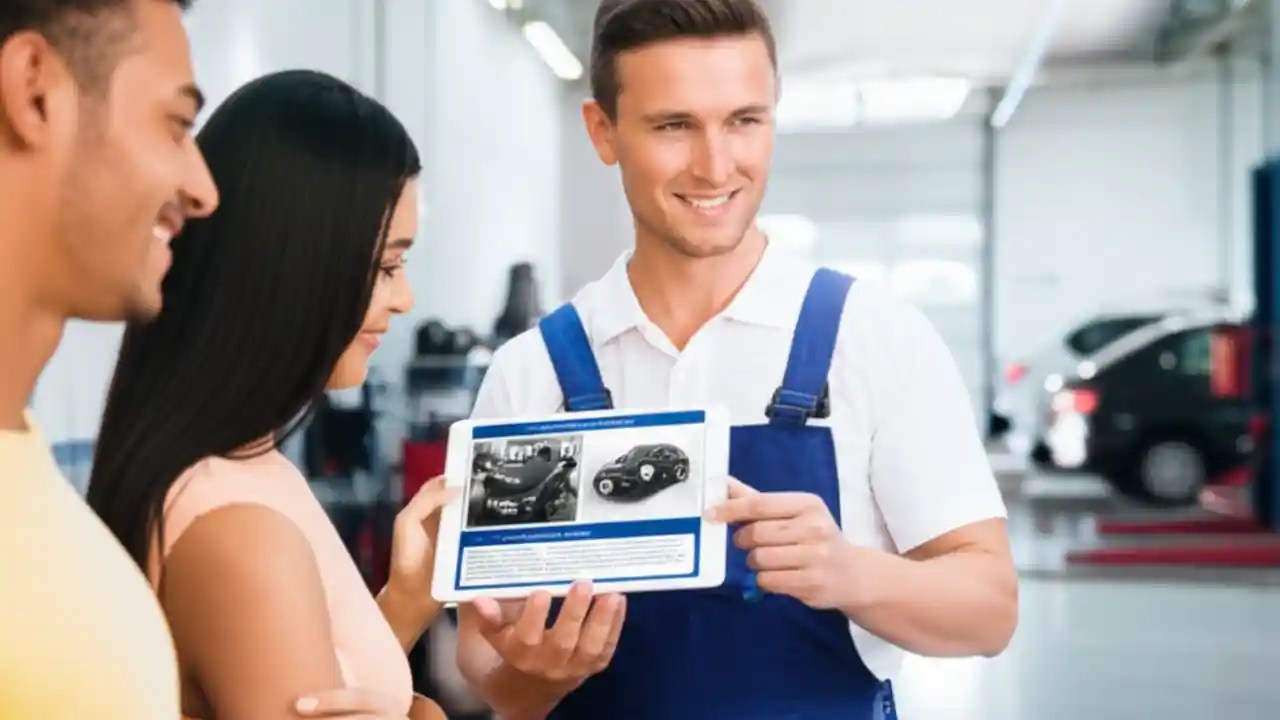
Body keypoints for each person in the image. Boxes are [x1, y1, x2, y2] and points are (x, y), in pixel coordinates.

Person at [454, 0, 1019, 718]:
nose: (715, 166)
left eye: (744, 121)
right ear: (603, 132)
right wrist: (539, 677)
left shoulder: (875, 338)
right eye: (674, 126)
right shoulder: (533, 372)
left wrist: (851, 572)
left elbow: (990, 610)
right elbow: (484, 658)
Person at [83, 69, 451, 720]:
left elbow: (325, 689)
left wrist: (402, 605)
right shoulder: (241, 534)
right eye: (387, 266)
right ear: (299, 265)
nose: (405, 298)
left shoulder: (244, 471)